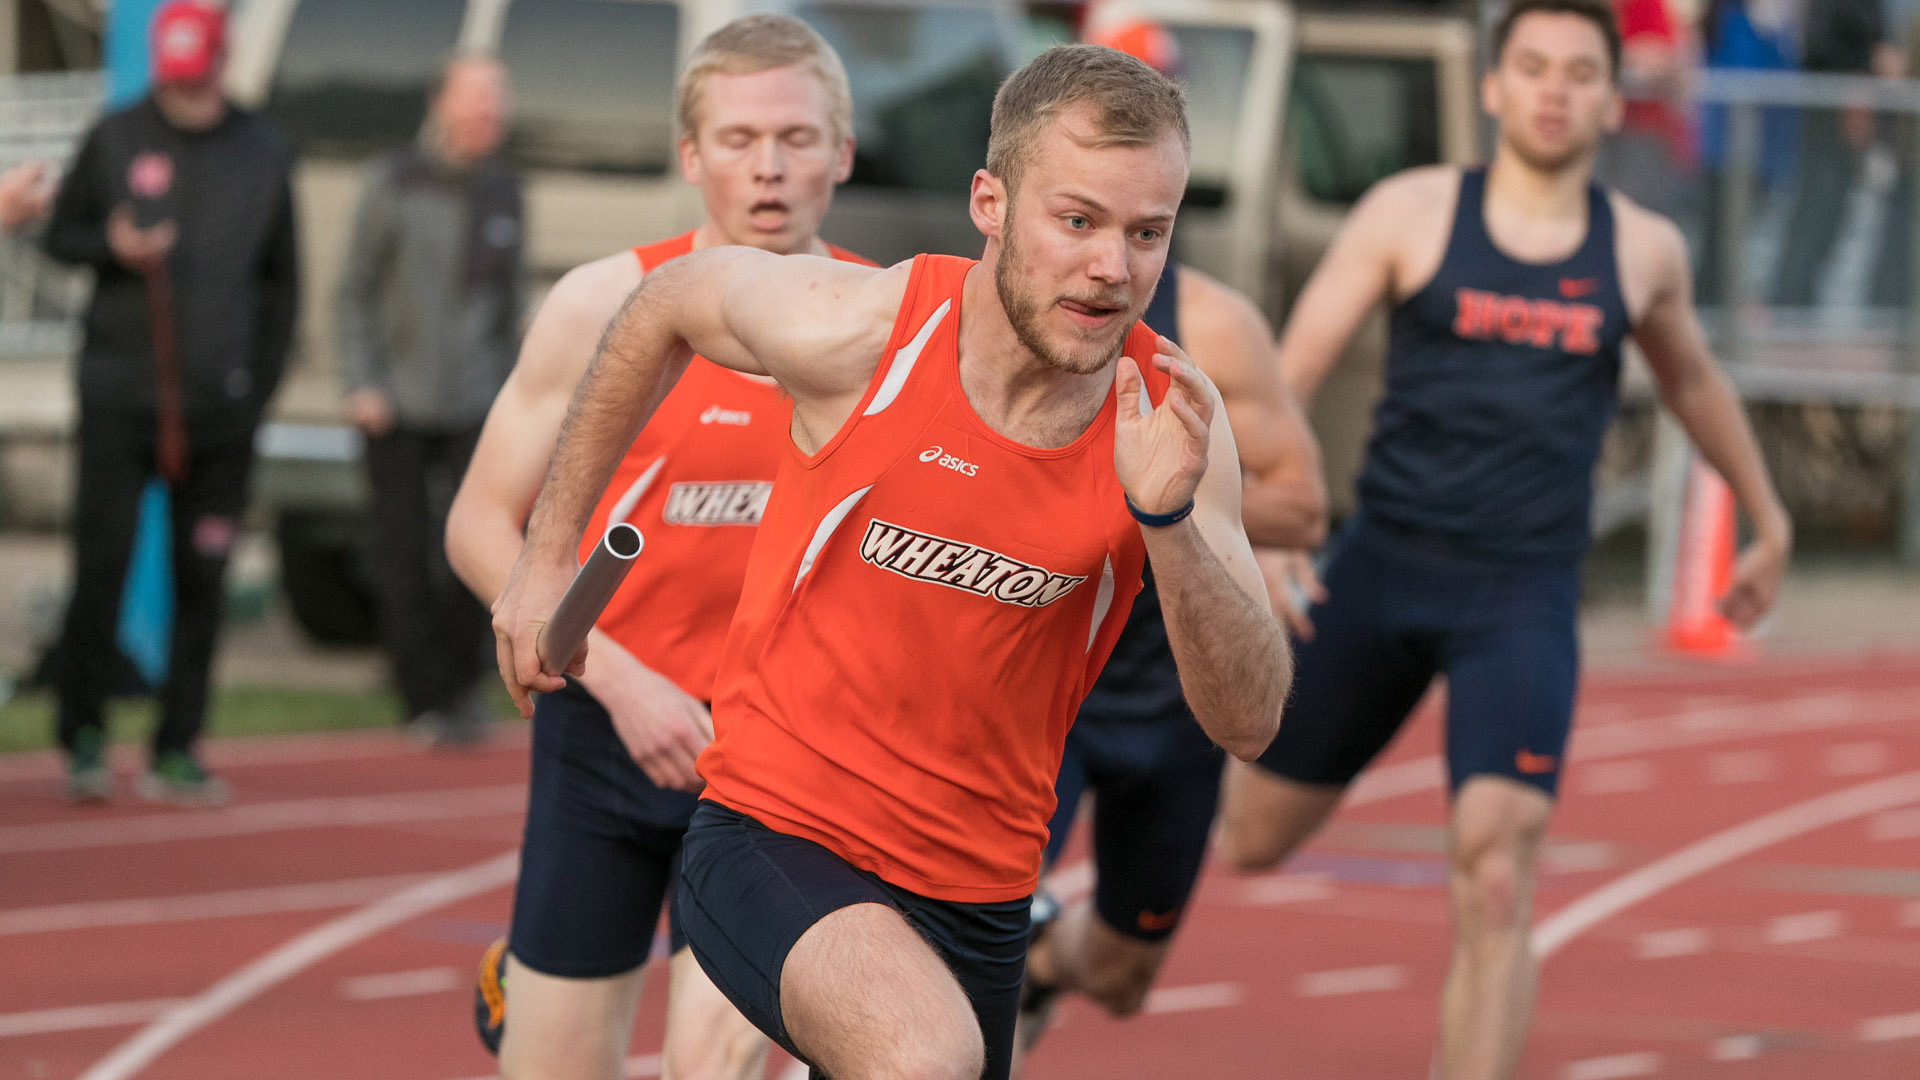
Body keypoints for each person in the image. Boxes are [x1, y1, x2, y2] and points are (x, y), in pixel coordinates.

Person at [490, 44, 1291, 1080]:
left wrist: (1168, 521)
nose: (1112, 268)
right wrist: (548, 558)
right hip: (775, 835)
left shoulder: (1173, 417)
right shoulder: (866, 333)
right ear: (990, 203)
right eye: (1079, 221)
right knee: (921, 1058)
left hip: (980, 895)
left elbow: (1249, 719)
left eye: (1148, 234)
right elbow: (666, 302)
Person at [1214, 3, 1792, 1078]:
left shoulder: (1641, 250)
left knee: (1494, 871)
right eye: (1532, 67)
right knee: (1251, 838)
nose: (1554, 89)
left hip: (1520, 598)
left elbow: (1693, 381)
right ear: (1493, 87)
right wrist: (1270, 526)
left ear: (1613, 101)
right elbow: (1286, 373)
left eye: (1579, 72)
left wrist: (1768, 516)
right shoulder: (1411, 213)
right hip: (1381, 570)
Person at [445, 16, 869, 1080]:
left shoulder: (894, 320)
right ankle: (527, 986)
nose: (768, 168)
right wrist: (620, 681)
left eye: (796, 138)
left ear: (843, 152)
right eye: (736, 139)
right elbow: (477, 525)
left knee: (707, 1067)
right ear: (691, 156)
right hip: (610, 736)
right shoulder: (602, 302)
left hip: (785, 765)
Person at [1011, 13, 1329, 1061]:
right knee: (971, 943)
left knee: (1126, 974)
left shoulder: (1214, 325)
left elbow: (1301, 501)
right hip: (1044, 684)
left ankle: (1048, 967)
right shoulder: (1005, 309)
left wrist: (1192, 504)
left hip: (1173, 692)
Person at [43, 0, 297, 805]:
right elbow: (59, 236)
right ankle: (82, 734)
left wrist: (257, 389)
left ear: (220, 64)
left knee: (205, 579)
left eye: (198, 79)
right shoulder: (116, 132)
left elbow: (282, 281)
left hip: (222, 410)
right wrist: (110, 248)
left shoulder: (262, 147)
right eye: (173, 81)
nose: (184, 96)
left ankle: (177, 744)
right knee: (101, 567)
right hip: (120, 396)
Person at [337, 53, 522, 746]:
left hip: (477, 405)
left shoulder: (505, 191)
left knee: (477, 549)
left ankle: (462, 690)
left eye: (495, 102)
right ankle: (420, 697)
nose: (486, 114)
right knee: (404, 554)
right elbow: (352, 290)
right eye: (475, 100)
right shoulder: (393, 181)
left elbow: (505, 311)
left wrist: (512, 394)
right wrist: (363, 383)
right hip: (396, 406)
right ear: (441, 103)